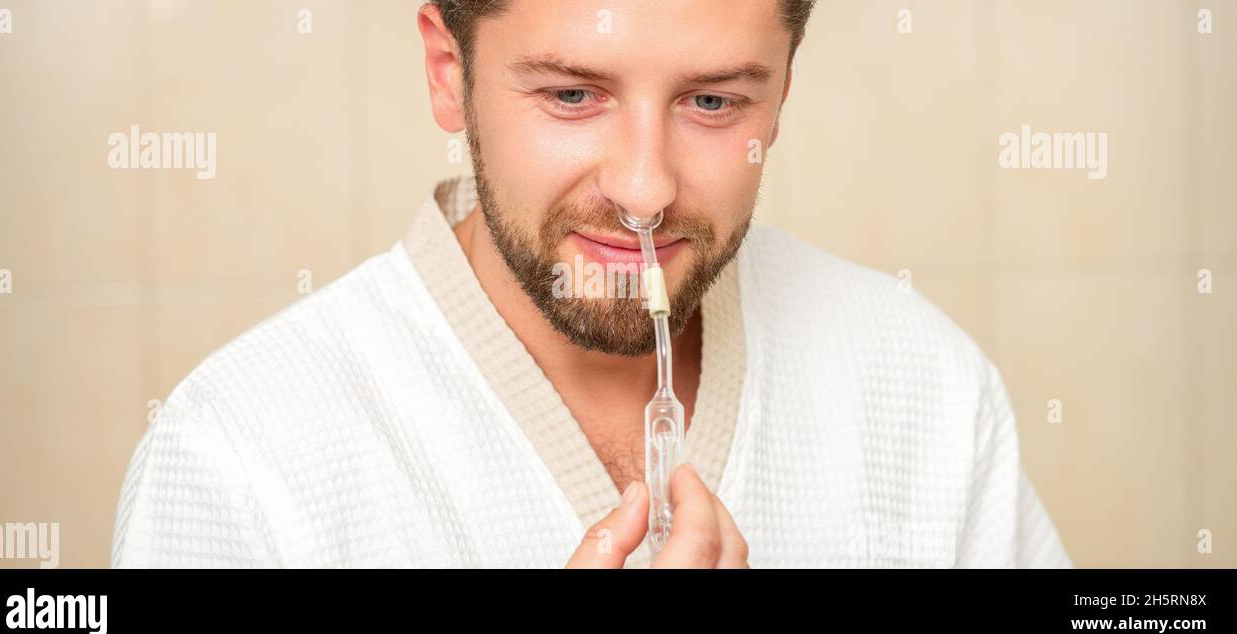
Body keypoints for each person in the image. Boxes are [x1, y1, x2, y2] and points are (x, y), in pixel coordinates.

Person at [112, 0, 1071, 568]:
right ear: (451, 73)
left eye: (712, 102)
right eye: (572, 95)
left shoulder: (927, 390)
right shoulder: (236, 460)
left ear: (782, 91)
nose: (645, 190)